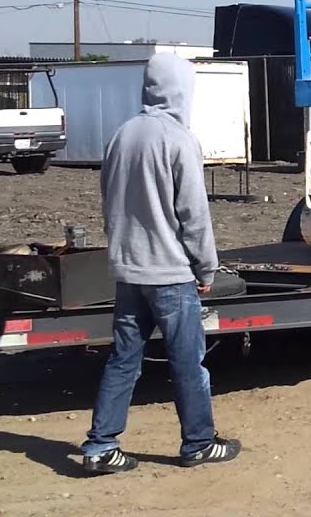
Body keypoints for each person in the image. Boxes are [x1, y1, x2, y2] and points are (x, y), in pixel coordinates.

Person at [80, 53, 241, 474]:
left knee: (123, 360)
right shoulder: (178, 139)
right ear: (181, 89)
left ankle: (100, 446)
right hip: (170, 273)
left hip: (129, 270)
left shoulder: (122, 135)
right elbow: (194, 214)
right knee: (188, 362)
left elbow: (109, 201)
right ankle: (199, 443)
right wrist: (206, 269)